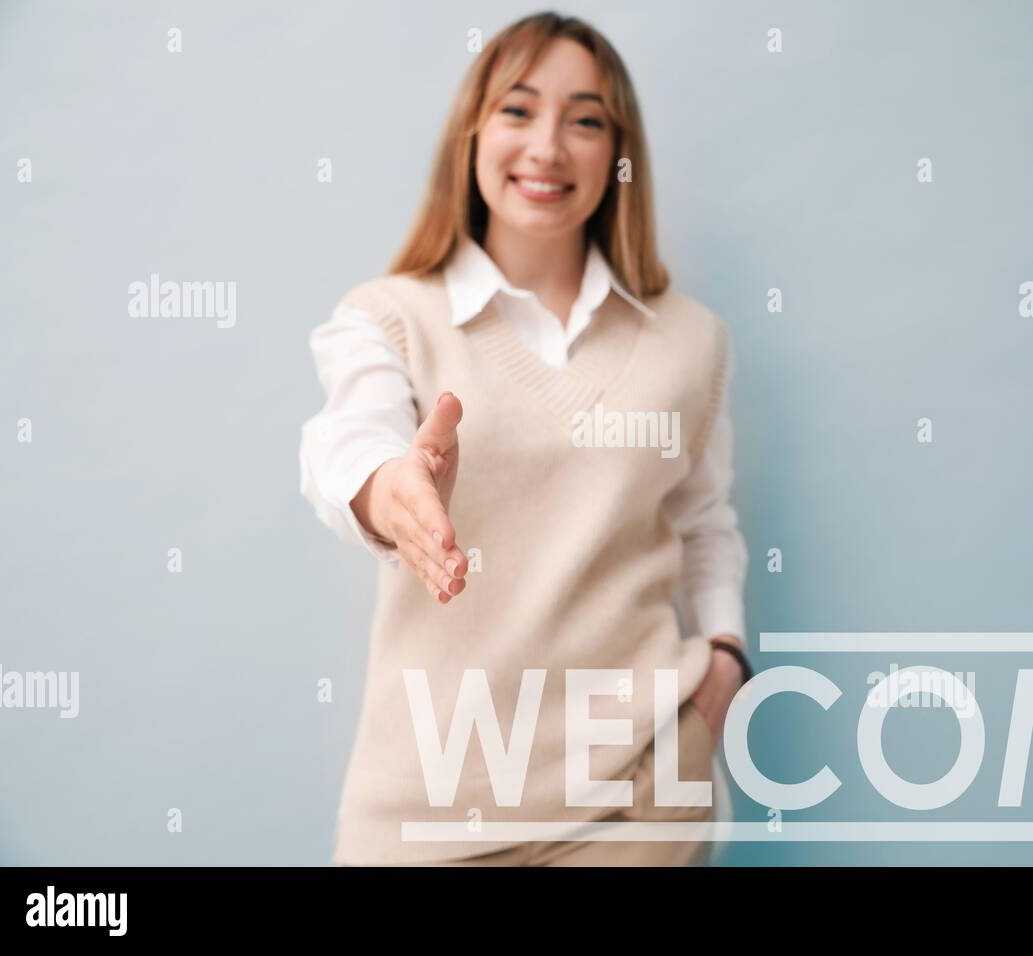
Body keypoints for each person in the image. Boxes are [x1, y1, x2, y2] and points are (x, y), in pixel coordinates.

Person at [299, 11, 750, 866]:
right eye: (517, 110)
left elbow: (705, 524)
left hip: (638, 805)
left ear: (618, 153)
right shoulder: (389, 318)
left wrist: (727, 660)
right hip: (425, 812)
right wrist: (391, 490)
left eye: (584, 119)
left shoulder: (692, 342)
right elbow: (345, 443)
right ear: (471, 133)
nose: (547, 145)